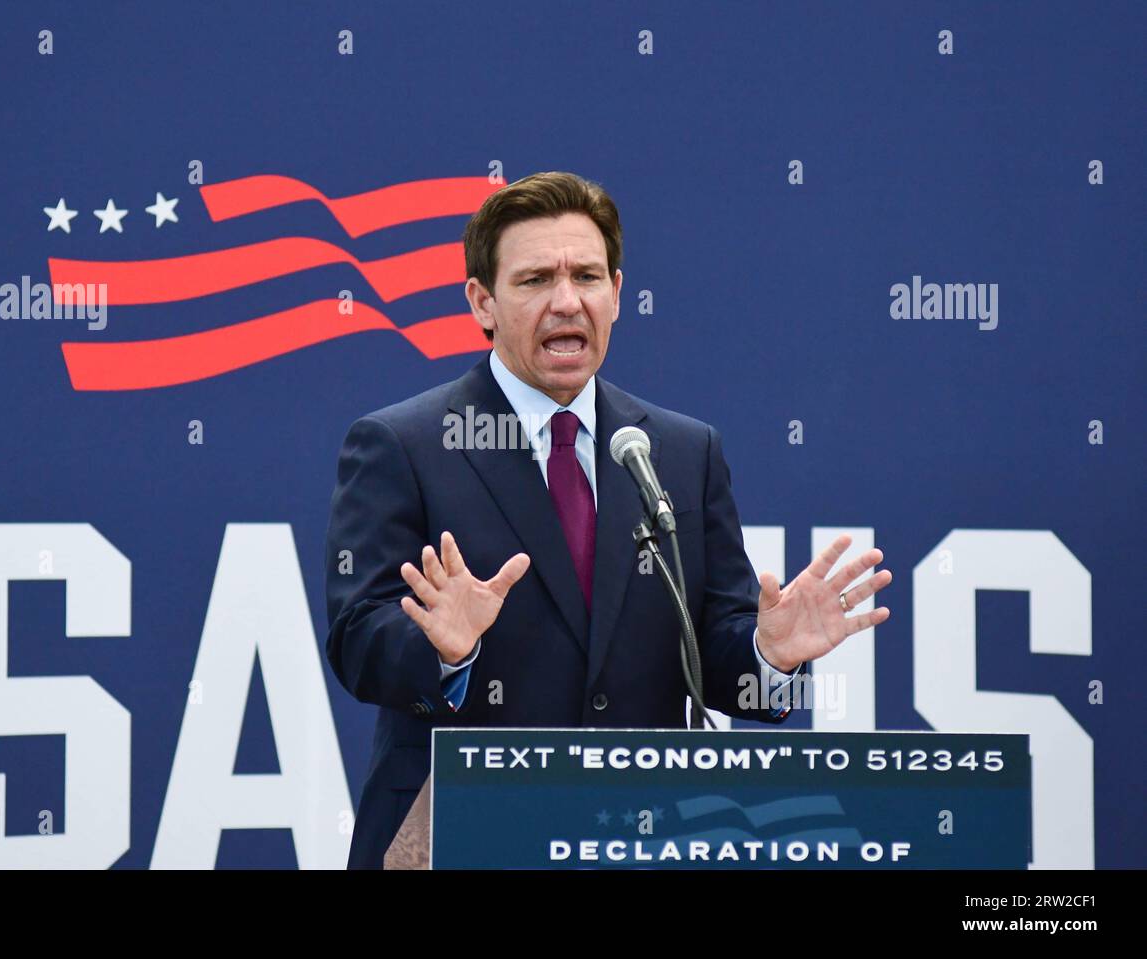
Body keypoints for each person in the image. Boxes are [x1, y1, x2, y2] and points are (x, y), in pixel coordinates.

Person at [324, 171, 892, 869]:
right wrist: (445, 651)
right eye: (535, 279)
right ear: (483, 303)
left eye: (587, 276)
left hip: (641, 837)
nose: (567, 301)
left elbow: (712, 646)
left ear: (617, 294)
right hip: (461, 835)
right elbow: (357, 638)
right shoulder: (402, 444)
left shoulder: (682, 452)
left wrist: (768, 655)